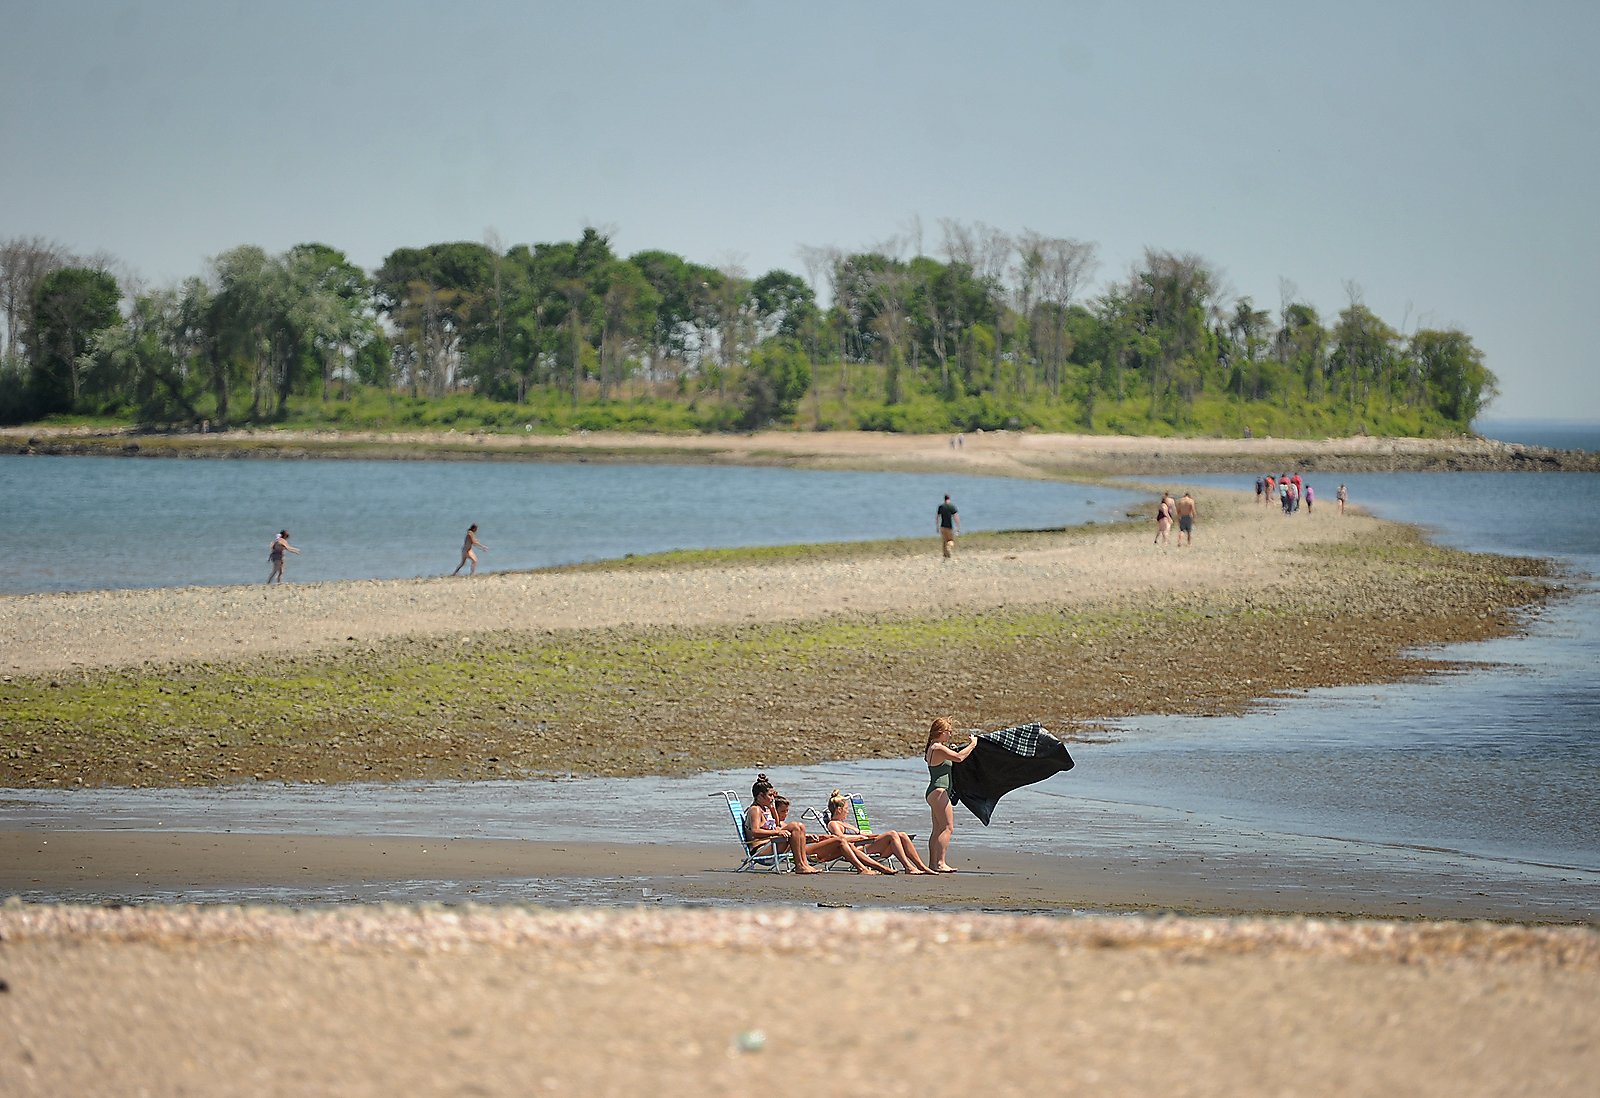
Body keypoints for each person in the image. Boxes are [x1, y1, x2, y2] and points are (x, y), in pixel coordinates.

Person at [746, 775, 895, 875]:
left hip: (776, 845)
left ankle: (868, 868)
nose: (773, 798)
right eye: (770, 795)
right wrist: (777, 833)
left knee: (835, 840)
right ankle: (801, 865)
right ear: (760, 796)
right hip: (763, 850)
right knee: (796, 825)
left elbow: (778, 825)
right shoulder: (755, 810)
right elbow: (755, 832)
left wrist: (773, 809)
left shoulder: (766, 809)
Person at [772, 792, 897, 874]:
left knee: (845, 844)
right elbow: (791, 842)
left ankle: (877, 868)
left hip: (807, 848)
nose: (786, 814)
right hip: (806, 852)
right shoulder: (781, 827)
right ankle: (864, 868)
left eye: (787, 811)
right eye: (783, 811)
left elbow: (796, 840)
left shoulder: (783, 825)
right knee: (840, 840)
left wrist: (814, 837)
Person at [824, 789, 934, 874]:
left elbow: (862, 835)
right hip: (859, 850)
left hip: (866, 845)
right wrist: (860, 838)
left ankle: (921, 866)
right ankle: (908, 867)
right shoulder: (833, 824)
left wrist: (874, 836)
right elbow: (839, 839)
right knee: (892, 834)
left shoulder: (845, 824)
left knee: (902, 835)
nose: (848, 812)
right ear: (839, 810)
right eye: (846, 809)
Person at [925, 716, 979, 872]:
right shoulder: (938, 748)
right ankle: (940, 863)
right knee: (948, 828)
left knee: (937, 829)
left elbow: (951, 756)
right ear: (941, 732)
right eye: (948, 731)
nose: (950, 734)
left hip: (934, 792)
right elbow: (959, 758)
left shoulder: (933, 747)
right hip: (939, 792)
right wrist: (972, 744)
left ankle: (933, 864)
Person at [936, 494, 959, 558]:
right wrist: (957, 527)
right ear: (949, 499)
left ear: (944, 499)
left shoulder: (941, 507)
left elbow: (937, 517)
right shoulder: (951, 506)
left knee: (944, 541)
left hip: (942, 527)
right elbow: (956, 517)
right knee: (950, 541)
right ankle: (948, 550)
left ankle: (946, 555)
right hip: (949, 527)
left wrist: (937, 527)